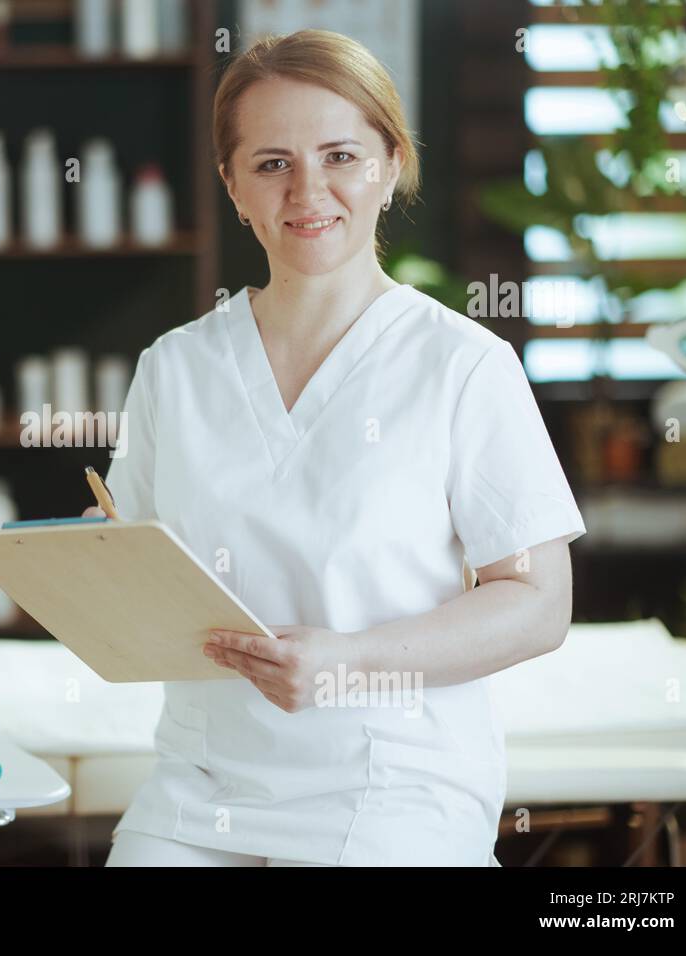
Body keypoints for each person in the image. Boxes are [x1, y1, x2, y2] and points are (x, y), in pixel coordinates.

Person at [93, 29, 586, 866]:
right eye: (272, 163)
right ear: (232, 184)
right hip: (203, 783)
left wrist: (349, 663)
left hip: (394, 784)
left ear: (391, 165)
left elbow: (539, 604)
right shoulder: (175, 368)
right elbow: (133, 569)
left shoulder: (463, 366)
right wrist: (92, 565)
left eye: (341, 155)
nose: (307, 191)